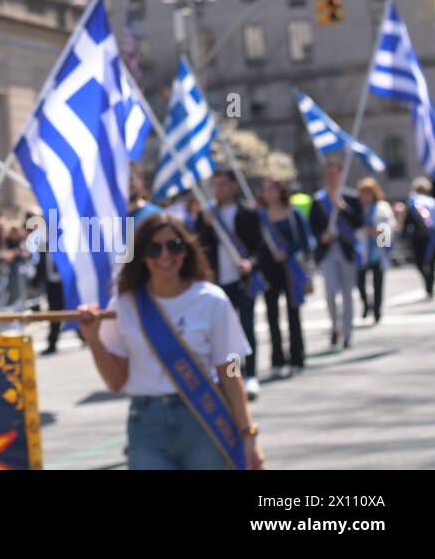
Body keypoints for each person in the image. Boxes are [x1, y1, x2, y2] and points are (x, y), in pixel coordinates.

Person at [77, 213, 264, 471]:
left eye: (174, 245)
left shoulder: (212, 300)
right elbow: (115, 381)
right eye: (154, 248)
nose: (165, 255)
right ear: (142, 256)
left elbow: (230, 369)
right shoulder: (124, 305)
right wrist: (94, 340)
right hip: (147, 423)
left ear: (186, 250)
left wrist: (248, 432)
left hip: (202, 418)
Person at [196, 168, 263, 400]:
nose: (219, 190)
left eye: (223, 184)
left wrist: (250, 263)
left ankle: (251, 375)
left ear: (234, 186)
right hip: (218, 283)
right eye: (216, 185)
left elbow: (259, 248)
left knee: (246, 327)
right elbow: (198, 246)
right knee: (224, 336)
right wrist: (205, 225)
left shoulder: (248, 212)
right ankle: (235, 375)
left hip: (242, 281)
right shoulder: (207, 216)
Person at [253, 179, 313, 378]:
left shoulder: (293, 213)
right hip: (269, 271)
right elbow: (256, 245)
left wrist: (287, 252)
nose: (268, 192)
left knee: (293, 313)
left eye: (272, 188)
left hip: (291, 269)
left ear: (281, 191)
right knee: (271, 315)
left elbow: (305, 241)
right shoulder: (259, 217)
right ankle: (277, 359)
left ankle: (297, 356)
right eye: (265, 189)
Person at [308, 157, 364, 350]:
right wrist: (321, 236)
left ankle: (348, 334)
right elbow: (313, 226)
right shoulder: (318, 200)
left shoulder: (351, 198)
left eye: (334, 174)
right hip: (328, 252)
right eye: (328, 174)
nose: (331, 177)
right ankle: (335, 326)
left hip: (347, 251)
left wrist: (344, 209)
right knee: (331, 292)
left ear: (341, 174)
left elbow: (359, 222)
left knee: (348, 294)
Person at [354, 177, 394, 325]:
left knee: (378, 284)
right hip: (361, 252)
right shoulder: (357, 209)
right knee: (360, 283)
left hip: (377, 252)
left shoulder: (381, 207)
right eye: (362, 193)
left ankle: (377, 312)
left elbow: (387, 230)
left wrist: (374, 232)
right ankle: (366, 305)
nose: (365, 196)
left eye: (368, 193)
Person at [403, 177, 435, 299]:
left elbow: (408, 221)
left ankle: (428, 284)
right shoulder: (432, 202)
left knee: (419, 262)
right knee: (431, 262)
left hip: (420, 237)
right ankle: (429, 283)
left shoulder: (413, 201)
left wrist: (403, 235)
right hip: (432, 236)